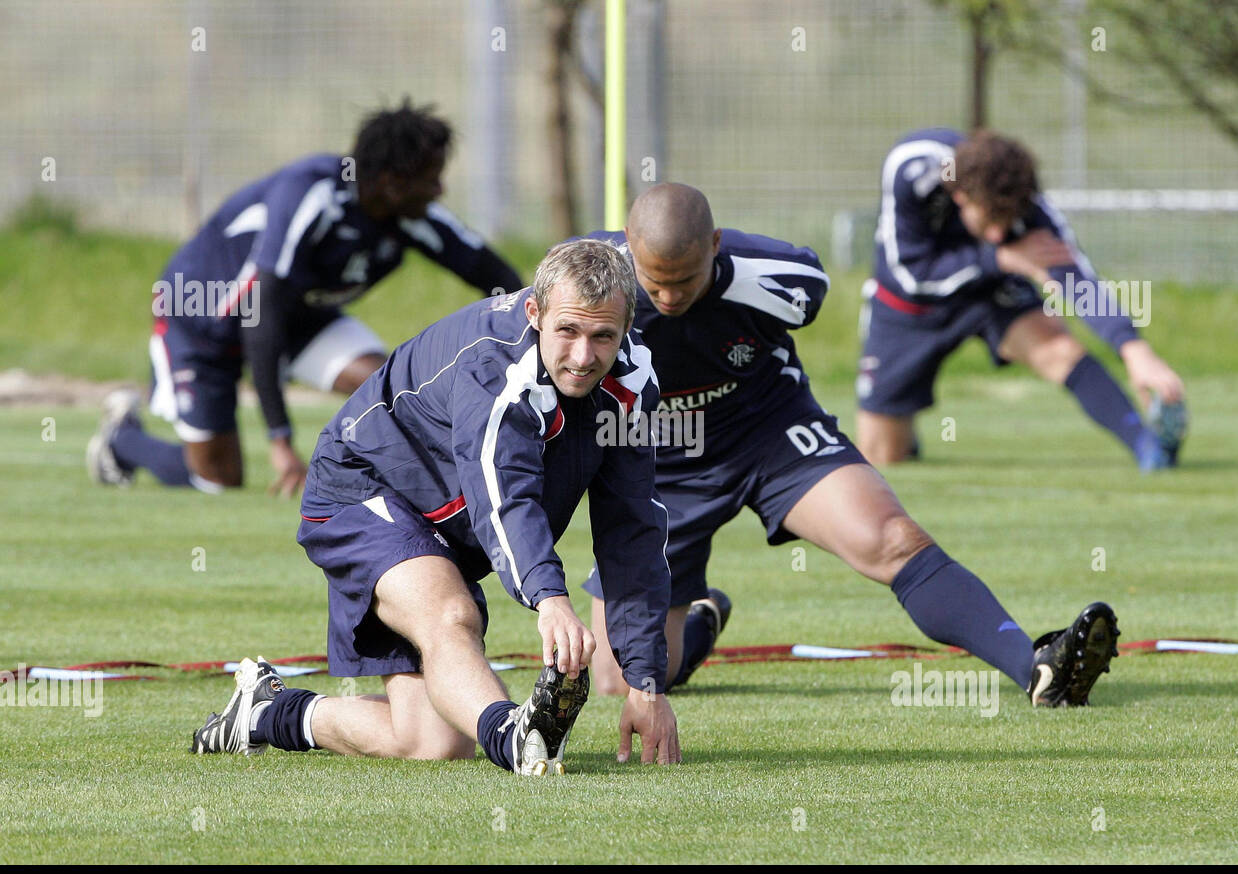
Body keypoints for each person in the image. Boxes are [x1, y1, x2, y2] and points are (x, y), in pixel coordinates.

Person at [582, 183, 1120, 709]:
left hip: (769, 434)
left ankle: (1038, 668)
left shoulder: (785, 279)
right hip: (662, 460)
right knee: (621, 678)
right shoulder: (587, 284)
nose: (672, 297)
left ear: (716, 244)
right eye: (656, 283)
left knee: (892, 539)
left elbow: (797, 289)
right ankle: (701, 620)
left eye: (687, 280)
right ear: (629, 243)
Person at [190, 240, 680, 773]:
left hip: (446, 523)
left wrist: (646, 682)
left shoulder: (632, 383)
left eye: (602, 336)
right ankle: (514, 737)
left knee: (431, 742)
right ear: (535, 313)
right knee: (452, 615)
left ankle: (267, 713)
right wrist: (550, 599)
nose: (584, 357)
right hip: (363, 485)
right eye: (568, 331)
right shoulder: (494, 369)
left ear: (627, 327)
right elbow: (504, 495)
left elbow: (631, 526)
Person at [88, 98, 522, 497]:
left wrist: (531, 347)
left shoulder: (408, 214)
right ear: (391, 182)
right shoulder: (311, 195)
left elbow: (493, 275)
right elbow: (261, 314)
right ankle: (123, 441)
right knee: (217, 479)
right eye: (430, 180)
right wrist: (281, 440)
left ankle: (418, 489)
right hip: (202, 319)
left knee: (390, 390)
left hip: (297, 317)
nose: (439, 191)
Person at [856, 127, 1187, 469]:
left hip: (988, 292)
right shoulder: (910, 169)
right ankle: (904, 432)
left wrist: (1134, 350)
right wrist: (998, 258)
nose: (999, 233)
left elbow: (1077, 281)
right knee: (883, 456)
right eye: (990, 221)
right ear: (960, 197)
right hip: (908, 305)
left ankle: (1148, 446)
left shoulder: (1027, 204)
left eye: (1008, 221)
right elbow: (911, 274)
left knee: (1058, 349)